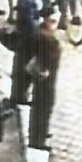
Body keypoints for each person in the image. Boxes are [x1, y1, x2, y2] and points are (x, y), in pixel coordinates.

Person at [28, 10, 62, 152]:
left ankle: (39, 133)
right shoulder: (47, 39)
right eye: (52, 21)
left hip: (45, 77)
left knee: (41, 107)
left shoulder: (42, 34)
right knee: (43, 108)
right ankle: (38, 139)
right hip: (45, 79)